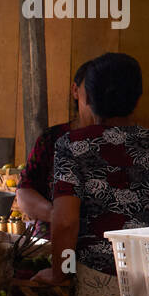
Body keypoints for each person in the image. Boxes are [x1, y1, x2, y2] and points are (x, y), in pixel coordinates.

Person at [34, 53, 149, 296]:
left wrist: (59, 272)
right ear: (137, 98)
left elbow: (66, 222)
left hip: (101, 281)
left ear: (87, 97)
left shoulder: (72, 145)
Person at [15, 60, 95, 232]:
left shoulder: (122, 143)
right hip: (53, 240)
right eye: (91, 87)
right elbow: (24, 191)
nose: (96, 95)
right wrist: (58, 216)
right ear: (75, 90)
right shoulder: (53, 139)